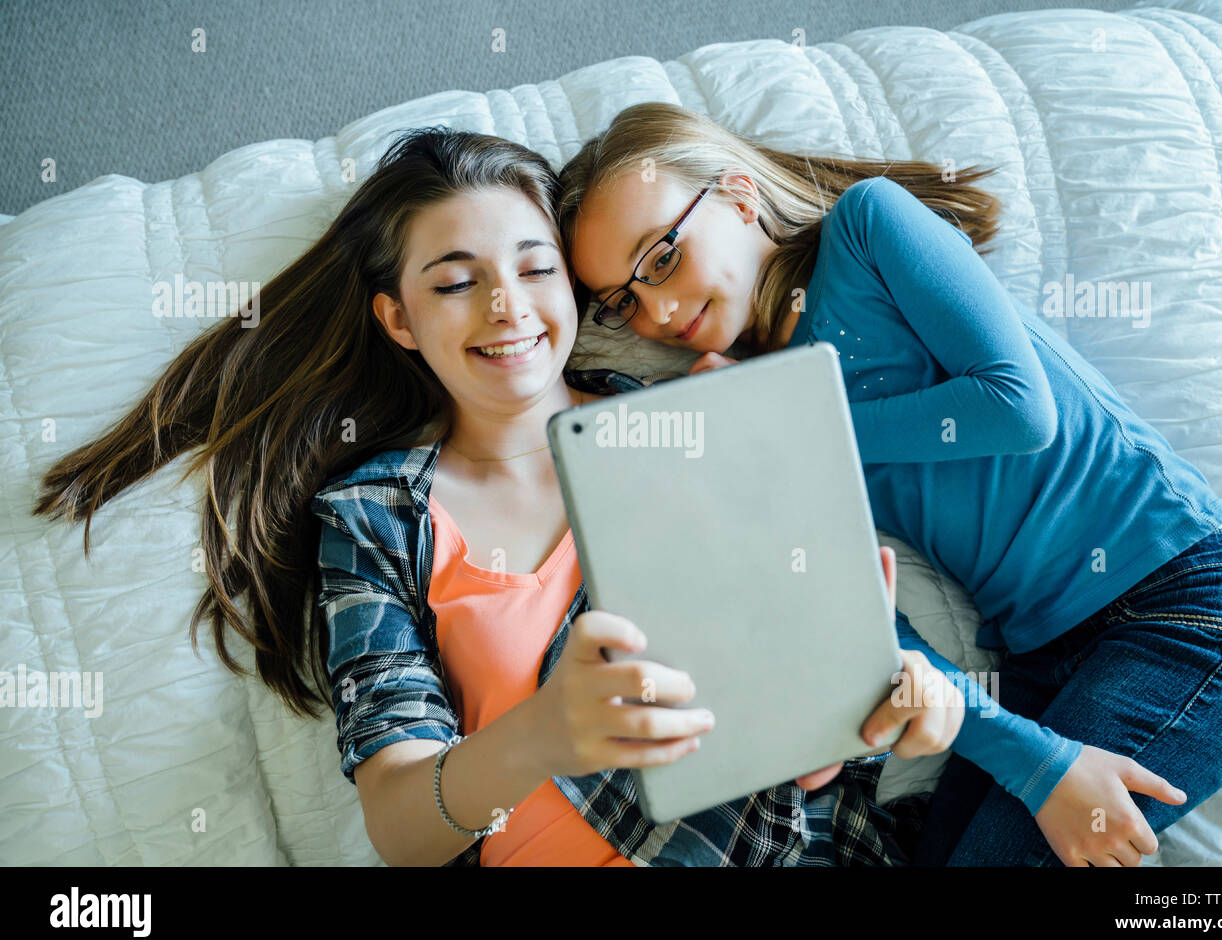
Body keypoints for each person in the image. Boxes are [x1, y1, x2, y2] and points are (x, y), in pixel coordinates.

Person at [33, 124, 963, 866]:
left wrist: (868, 687)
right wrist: (544, 735)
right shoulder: (373, 516)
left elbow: (807, 757)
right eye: (456, 283)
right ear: (398, 318)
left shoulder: (697, 422)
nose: (508, 307)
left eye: (534, 267)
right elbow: (402, 827)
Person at [556, 101, 1222, 866]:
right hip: (1035, 660)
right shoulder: (755, 417)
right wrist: (1039, 762)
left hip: (1192, 606)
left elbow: (1017, 407)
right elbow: (872, 638)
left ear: (740, 196)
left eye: (662, 259)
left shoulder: (866, 227)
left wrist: (791, 424)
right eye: (624, 302)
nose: (658, 309)